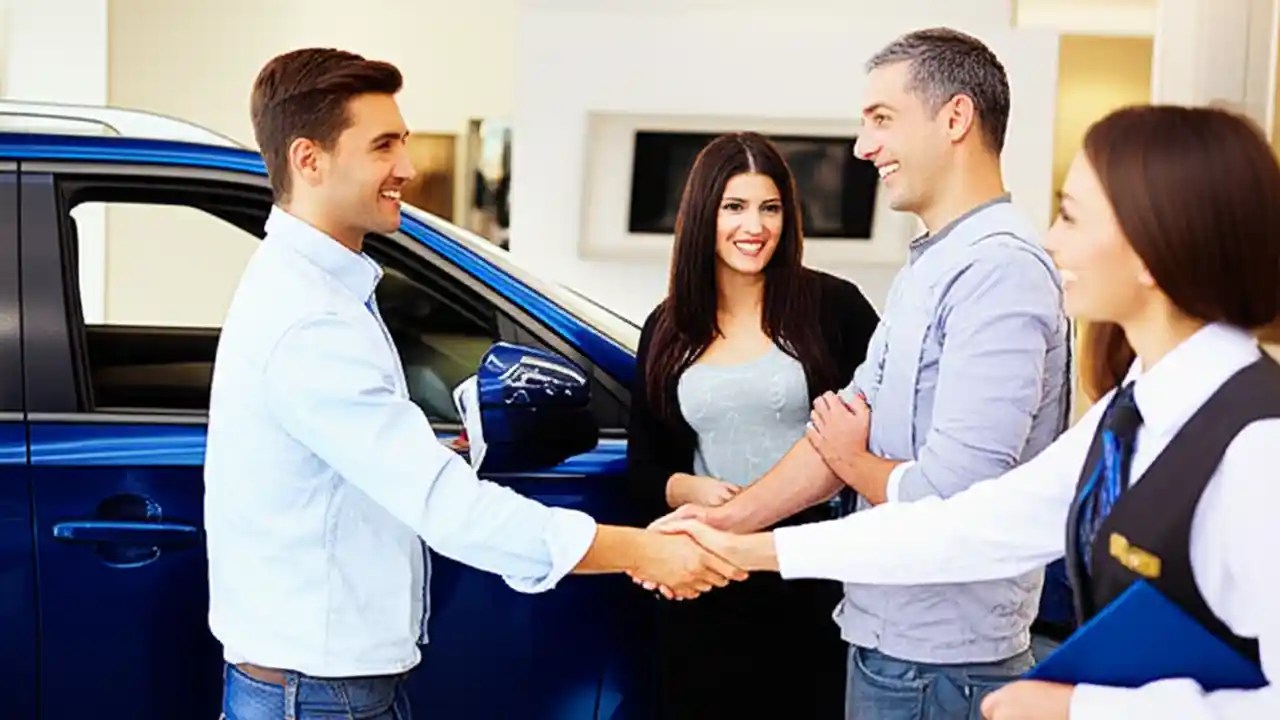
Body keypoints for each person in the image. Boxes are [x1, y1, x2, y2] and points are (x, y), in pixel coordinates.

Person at [657, 104, 1280, 720]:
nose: (1051, 239)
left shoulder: (1259, 447)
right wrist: (743, 548)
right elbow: (967, 528)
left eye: (1070, 216)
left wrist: (1080, 708)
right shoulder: (1132, 412)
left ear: (1152, 249)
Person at [202, 48, 745, 720]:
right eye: (383, 146)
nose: (407, 166)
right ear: (309, 161)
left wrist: (445, 451)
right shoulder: (310, 320)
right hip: (316, 698)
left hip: (322, 690)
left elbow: (357, 465)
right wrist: (643, 551)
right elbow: (445, 510)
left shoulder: (316, 288)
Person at [649, 27, 1072, 719]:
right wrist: (725, 525)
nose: (861, 146)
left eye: (881, 119)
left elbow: (955, 501)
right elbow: (837, 429)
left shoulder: (1000, 272)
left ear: (955, 118)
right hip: (889, 648)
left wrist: (853, 463)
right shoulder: (932, 265)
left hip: (946, 668)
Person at [627, 132, 880, 718]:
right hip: (709, 573)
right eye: (734, 208)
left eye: (770, 208)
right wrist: (689, 489)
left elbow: (878, 428)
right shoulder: (667, 327)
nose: (755, 226)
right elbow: (643, 471)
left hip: (812, 573)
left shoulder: (833, 308)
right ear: (702, 216)